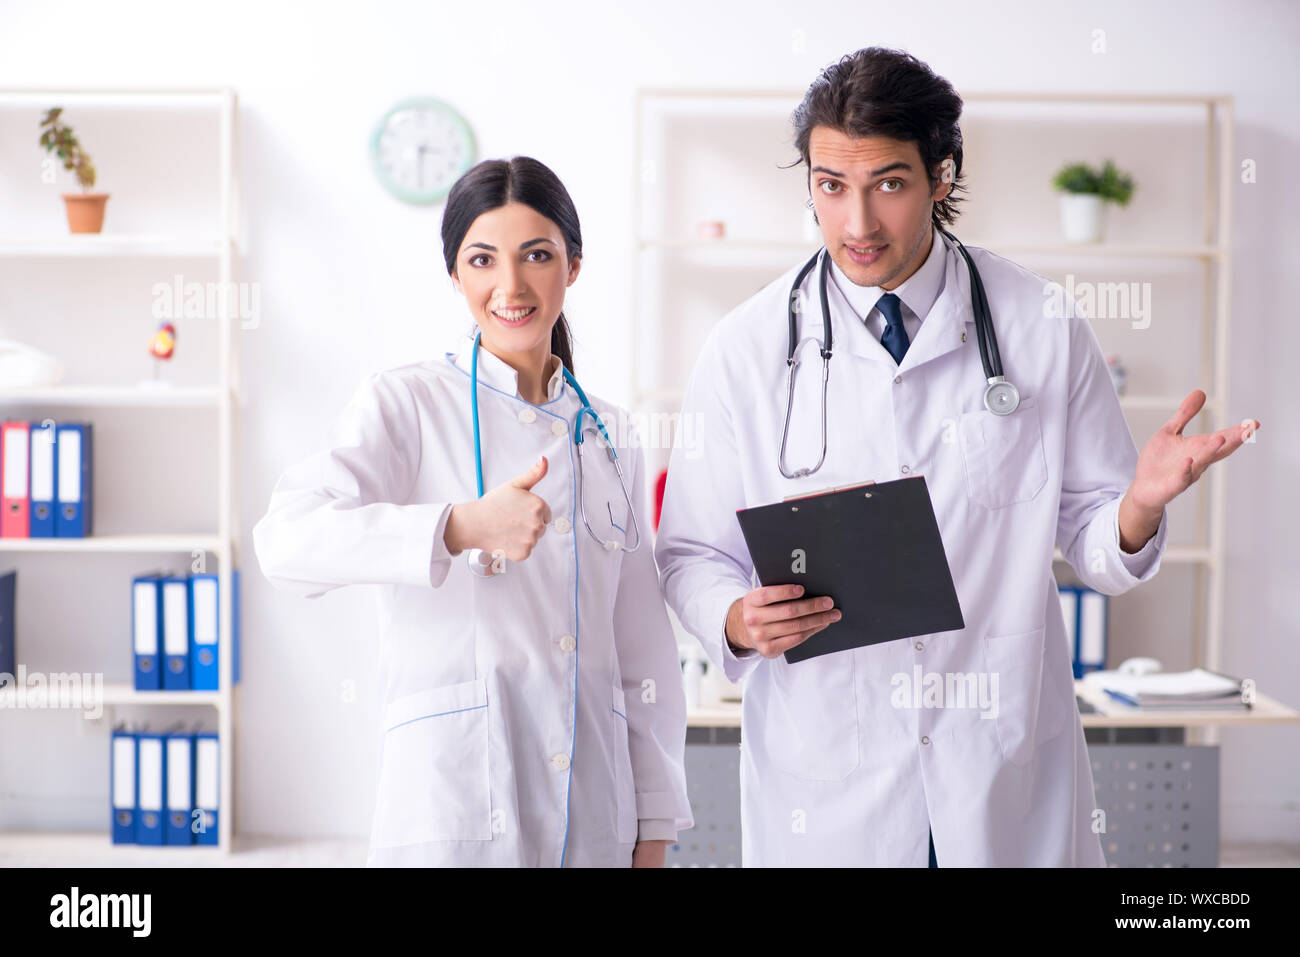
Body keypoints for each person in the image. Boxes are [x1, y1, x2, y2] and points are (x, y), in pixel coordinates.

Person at [653, 47, 1259, 867]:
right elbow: (691, 552)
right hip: (831, 781)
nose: (858, 223)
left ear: (941, 176)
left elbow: (1093, 538)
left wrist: (1139, 505)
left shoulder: (1039, 324)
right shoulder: (746, 350)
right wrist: (733, 614)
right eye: (832, 187)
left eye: (889, 185)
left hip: (1002, 772)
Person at [253, 156, 692, 867]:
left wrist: (655, 822)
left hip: (596, 812)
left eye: (537, 256)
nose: (510, 286)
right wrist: (456, 527)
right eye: (483, 259)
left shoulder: (610, 432)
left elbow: (641, 646)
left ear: (573, 267)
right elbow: (286, 540)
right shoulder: (408, 404)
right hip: (455, 808)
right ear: (455, 275)